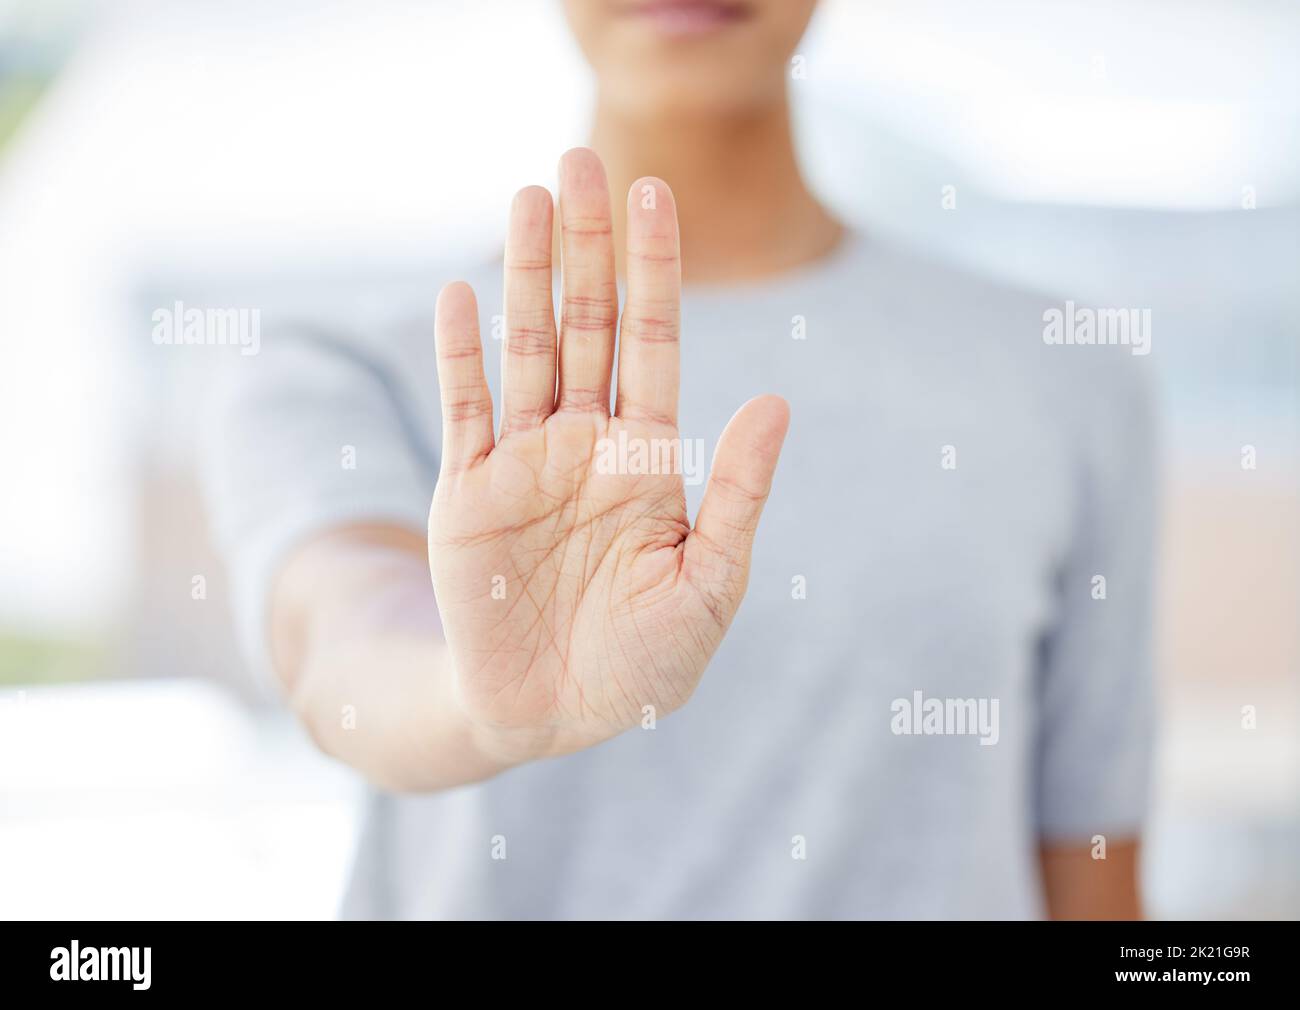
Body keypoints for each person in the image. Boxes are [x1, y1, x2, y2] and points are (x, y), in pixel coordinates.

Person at [203, 0, 1155, 919]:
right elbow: (343, 646)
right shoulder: (352, 370)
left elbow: (1093, 870)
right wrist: (475, 704)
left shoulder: (1064, 374)